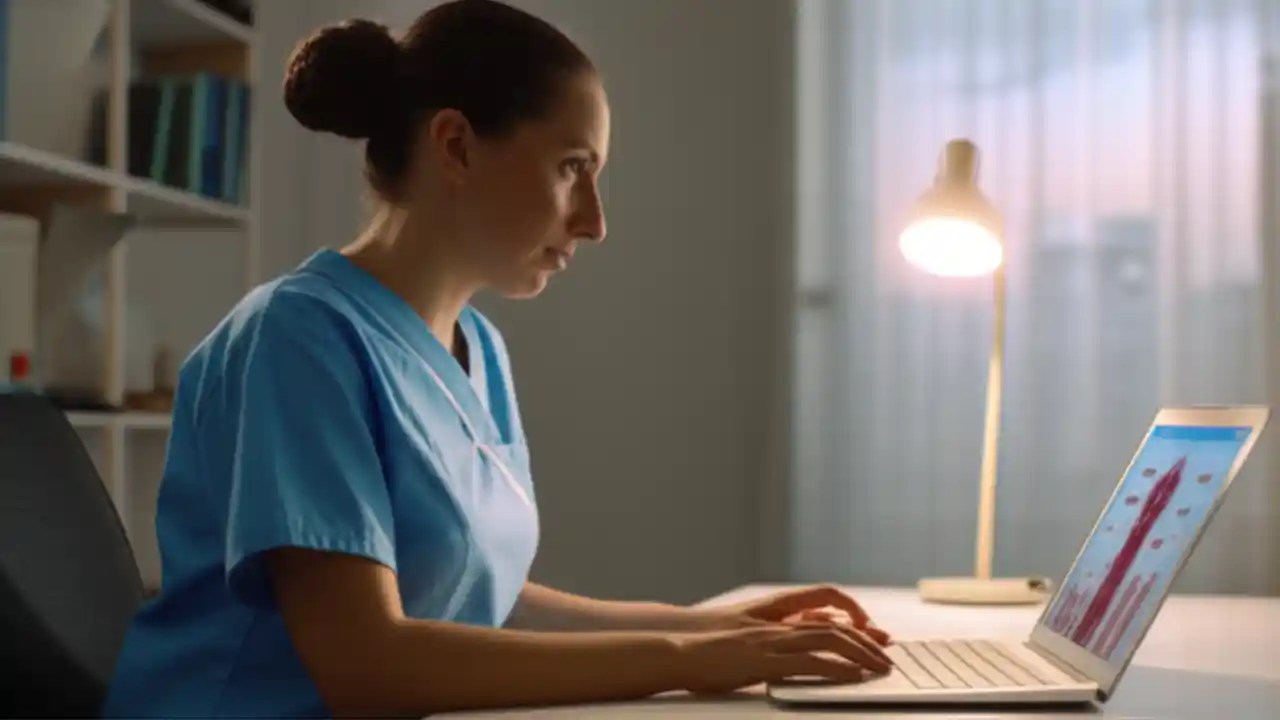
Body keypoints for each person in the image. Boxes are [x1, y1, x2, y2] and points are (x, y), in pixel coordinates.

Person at [103, 1, 893, 716]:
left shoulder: (477, 347)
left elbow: (485, 603)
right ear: (455, 145)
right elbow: (367, 662)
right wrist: (686, 656)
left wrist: (717, 628)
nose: (594, 222)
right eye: (572, 169)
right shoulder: (296, 339)